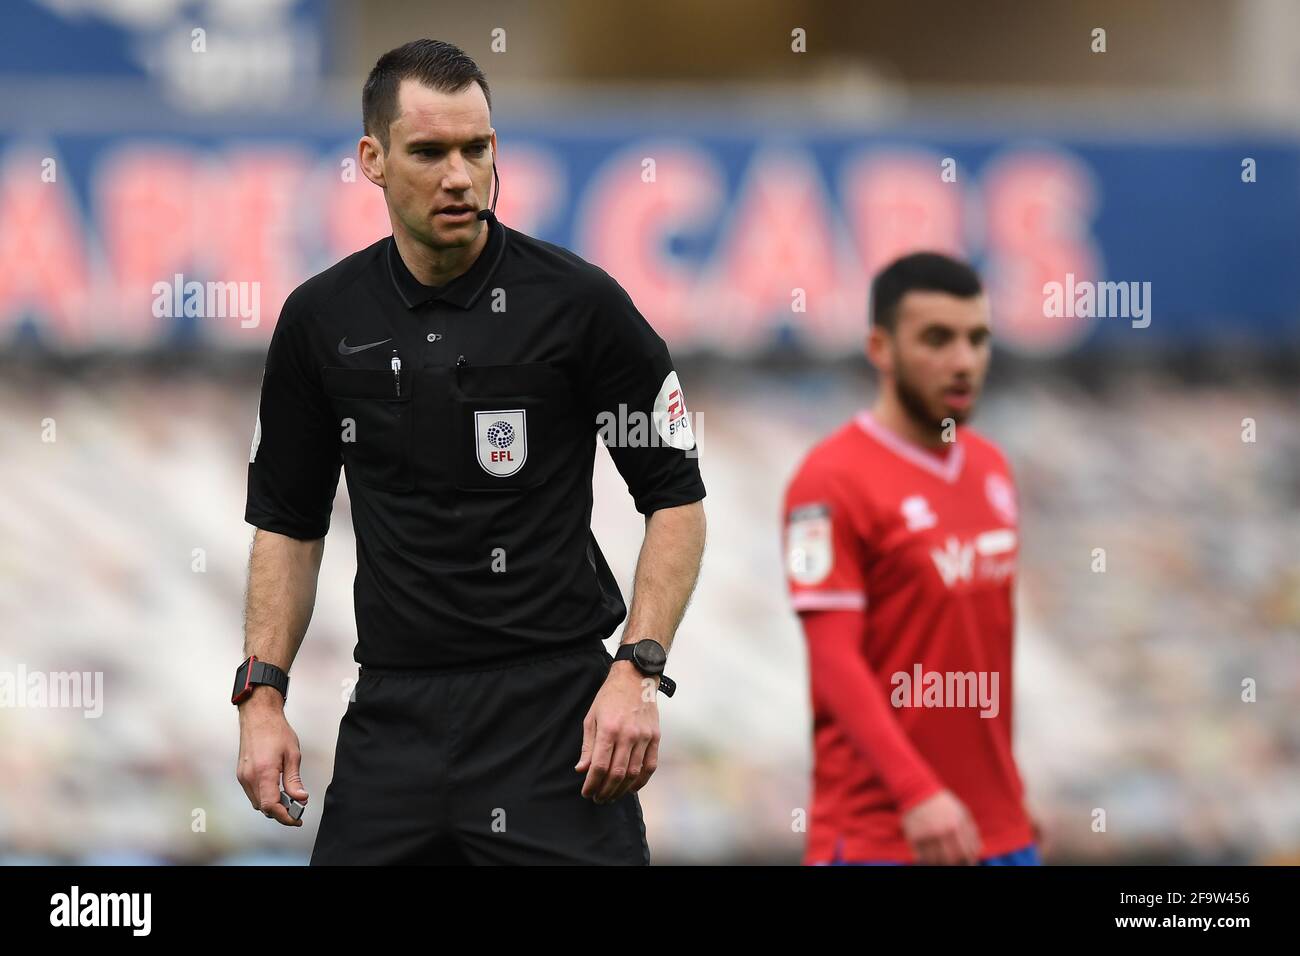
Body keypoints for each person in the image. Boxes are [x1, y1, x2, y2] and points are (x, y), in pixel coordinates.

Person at [234, 39, 707, 865]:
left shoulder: (581, 306)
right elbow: (288, 521)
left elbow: (675, 496)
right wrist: (261, 695)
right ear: (372, 160)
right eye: (429, 152)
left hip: (553, 718)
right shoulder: (321, 320)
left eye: (476, 149)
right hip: (392, 718)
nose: (459, 175)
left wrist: (637, 671)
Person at [781, 252, 1040, 865]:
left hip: (1000, 832)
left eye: (978, 339)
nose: (964, 361)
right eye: (937, 339)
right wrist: (918, 792)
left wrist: (1010, 798)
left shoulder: (992, 468)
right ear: (881, 347)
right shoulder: (827, 481)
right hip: (884, 833)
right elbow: (833, 656)